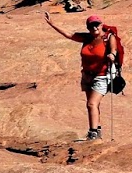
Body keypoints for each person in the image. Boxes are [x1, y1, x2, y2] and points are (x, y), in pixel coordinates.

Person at [45, 12, 124, 140]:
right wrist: (52, 24)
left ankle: (92, 133)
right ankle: (97, 130)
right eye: (91, 26)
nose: (94, 28)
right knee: (93, 105)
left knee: (91, 104)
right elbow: (69, 35)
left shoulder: (108, 37)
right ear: (88, 28)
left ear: (101, 25)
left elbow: (113, 49)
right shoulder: (87, 38)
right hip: (87, 75)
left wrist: (112, 55)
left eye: (97, 25)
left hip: (102, 75)